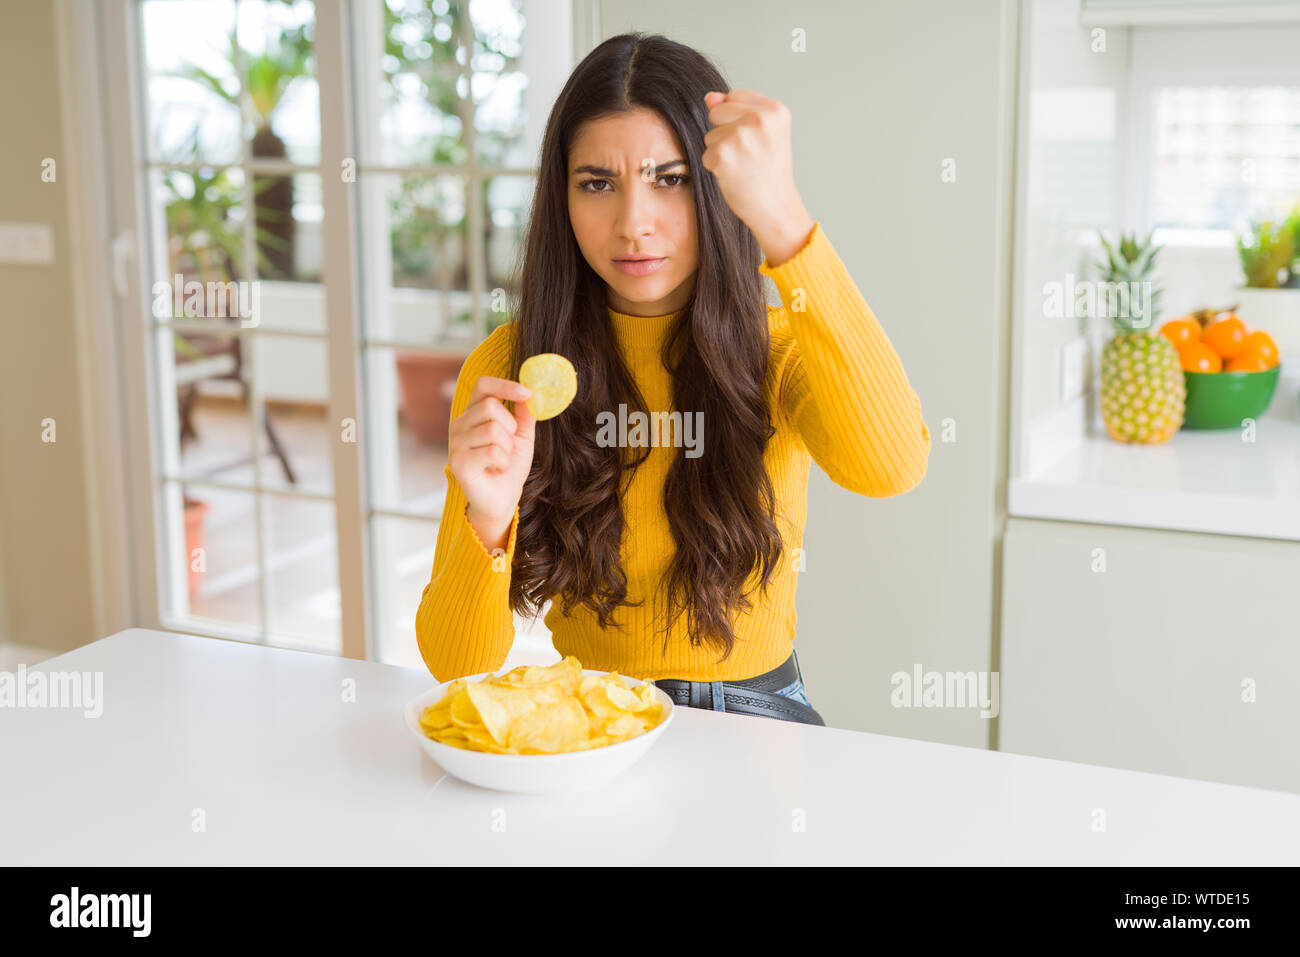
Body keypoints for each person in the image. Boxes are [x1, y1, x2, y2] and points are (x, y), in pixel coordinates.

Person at [415, 32, 930, 725]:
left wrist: (783, 222)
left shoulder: (782, 348)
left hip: (753, 710)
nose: (634, 224)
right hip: (591, 715)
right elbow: (457, 665)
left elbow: (892, 468)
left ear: (720, 187)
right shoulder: (510, 367)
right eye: (597, 183)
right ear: (561, 197)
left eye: (671, 178)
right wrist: (488, 515)